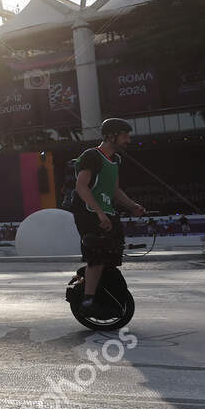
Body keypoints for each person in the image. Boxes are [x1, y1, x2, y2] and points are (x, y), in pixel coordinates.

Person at [70, 117, 147, 310]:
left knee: (113, 251)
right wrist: (99, 214)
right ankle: (87, 299)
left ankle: (103, 289)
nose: (128, 140)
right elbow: (81, 186)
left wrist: (133, 206)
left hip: (107, 211)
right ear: (111, 136)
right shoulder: (92, 155)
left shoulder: (115, 160)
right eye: (125, 136)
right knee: (97, 253)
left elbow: (114, 191)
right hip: (88, 211)